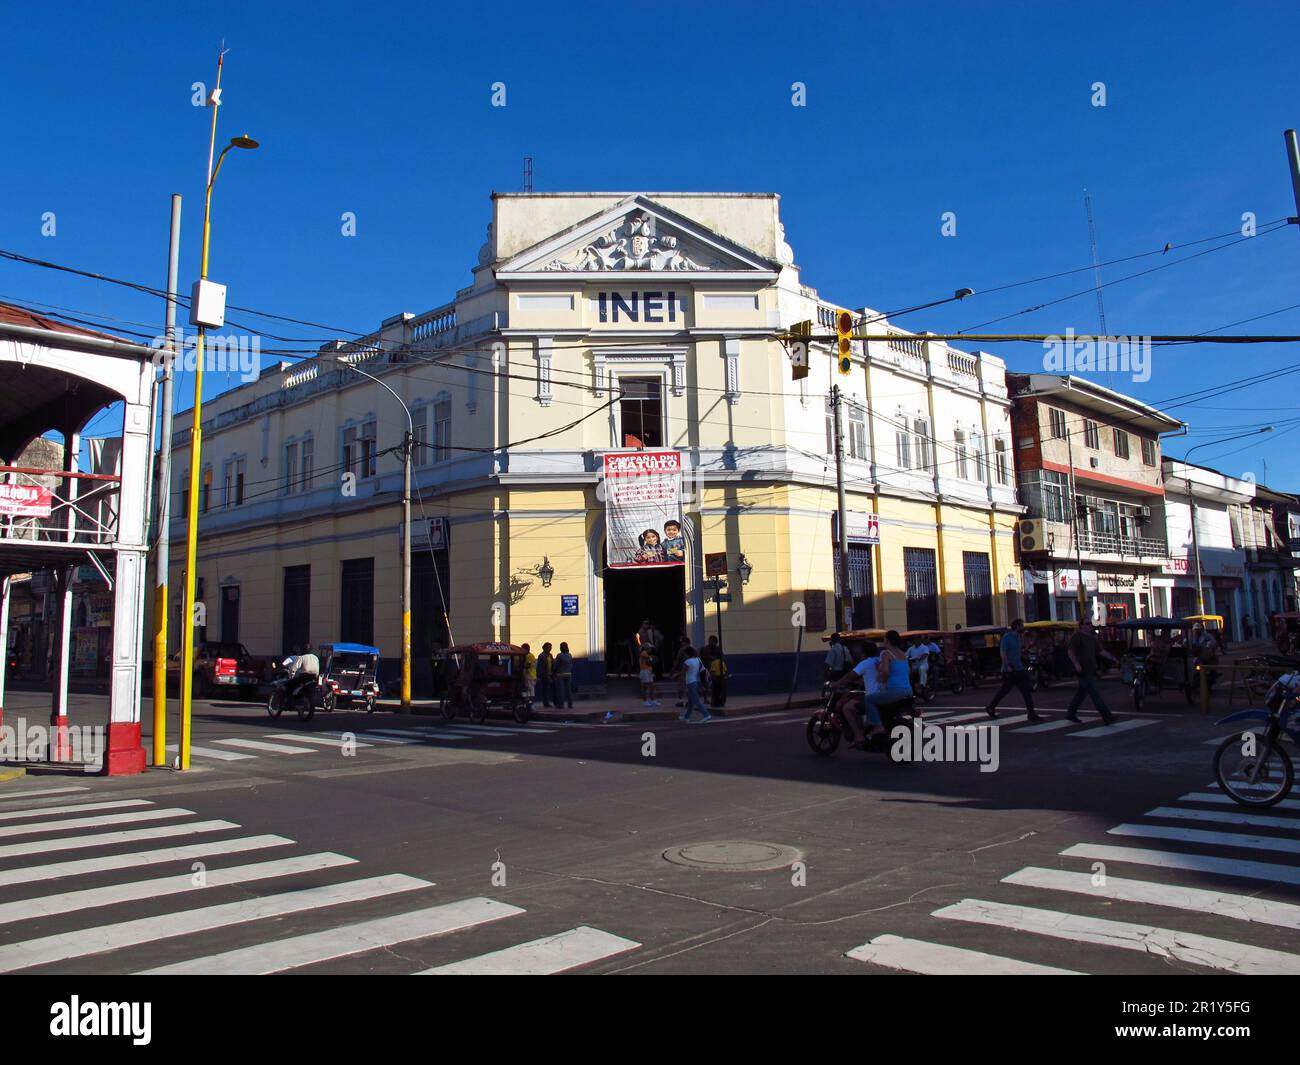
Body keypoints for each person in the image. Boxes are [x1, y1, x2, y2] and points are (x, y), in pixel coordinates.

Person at [985, 618, 1041, 720]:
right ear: (1017, 626)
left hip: (1019, 668)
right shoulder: (1007, 637)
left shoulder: (1018, 638)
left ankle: (1031, 713)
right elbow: (1003, 653)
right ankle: (991, 707)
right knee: (1004, 691)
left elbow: (1018, 652)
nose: (1023, 627)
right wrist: (1007, 666)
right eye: (1022, 625)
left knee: (1025, 691)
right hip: (1010, 670)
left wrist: (1026, 651)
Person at [830, 639, 883, 746]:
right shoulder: (879, 660)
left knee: (847, 707)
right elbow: (872, 676)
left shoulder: (865, 663)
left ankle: (859, 735)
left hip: (872, 697)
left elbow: (849, 676)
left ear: (863, 653)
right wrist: (859, 682)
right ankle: (864, 728)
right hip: (883, 695)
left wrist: (836, 684)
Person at [1066, 617, 1117, 724]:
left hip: (1090, 668)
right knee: (1094, 693)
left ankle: (1070, 713)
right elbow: (1070, 651)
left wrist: (1112, 658)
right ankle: (1107, 716)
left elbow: (1100, 651)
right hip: (1083, 669)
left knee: (1081, 693)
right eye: (1087, 623)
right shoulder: (1077, 636)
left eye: (1090, 623)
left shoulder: (1092, 638)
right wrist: (1076, 663)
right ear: (1081, 625)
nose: (1089, 625)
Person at [677, 644, 711, 722]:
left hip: (690, 683)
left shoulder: (687, 662)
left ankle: (706, 715)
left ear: (687, 654)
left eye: (684, 654)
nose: (684, 655)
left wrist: (675, 675)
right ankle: (686, 717)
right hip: (695, 681)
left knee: (696, 700)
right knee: (691, 702)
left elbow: (683, 672)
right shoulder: (697, 660)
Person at [703, 634, 728, 707]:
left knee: (718, 687)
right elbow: (705, 657)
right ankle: (709, 699)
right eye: (710, 641)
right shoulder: (706, 649)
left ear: (715, 642)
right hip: (708, 669)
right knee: (709, 685)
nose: (711, 642)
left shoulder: (718, 649)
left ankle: (719, 701)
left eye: (712, 641)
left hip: (718, 671)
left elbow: (722, 658)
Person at [553, 642, 574, 708]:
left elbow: (555, 665)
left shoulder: (559, 655)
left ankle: (561, 704)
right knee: (568, 690)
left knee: (561, 690)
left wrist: (554, 671)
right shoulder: (570, 655)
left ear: (561, 648)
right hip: (569, 674)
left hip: (560, 674)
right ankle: (570, 704)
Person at [639, 643, 660, 707]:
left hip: (648, 671)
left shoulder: (647, 654)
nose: (651, 649)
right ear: (647, 648)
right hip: (644, 671)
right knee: (645, 687)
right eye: (650, 648)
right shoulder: (644, 653)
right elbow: (650, 661)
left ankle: (652, 700)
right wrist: (652, 658)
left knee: (652, 686)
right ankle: (645, 701)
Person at [536, 642, 554, 708]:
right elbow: (539, 667)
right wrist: (541, 675)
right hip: (544, 675)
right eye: (549, 647)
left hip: (550, 674)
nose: (550, 648)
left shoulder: (550, 655)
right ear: (545, 648)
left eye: (551, 647)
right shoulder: (541, 656)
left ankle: (550, 702)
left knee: (549, 689)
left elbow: (552, 664)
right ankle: (546, 703)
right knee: (545, 689)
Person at [521, 643, 537, 710]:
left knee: (530, 691)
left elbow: (528, 665)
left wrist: (523, 667)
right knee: (529, 691)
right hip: (532, 675)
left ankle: (531, 705)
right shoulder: (531, 655)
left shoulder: (528, 656)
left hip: (529, 675)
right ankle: (529, 704)